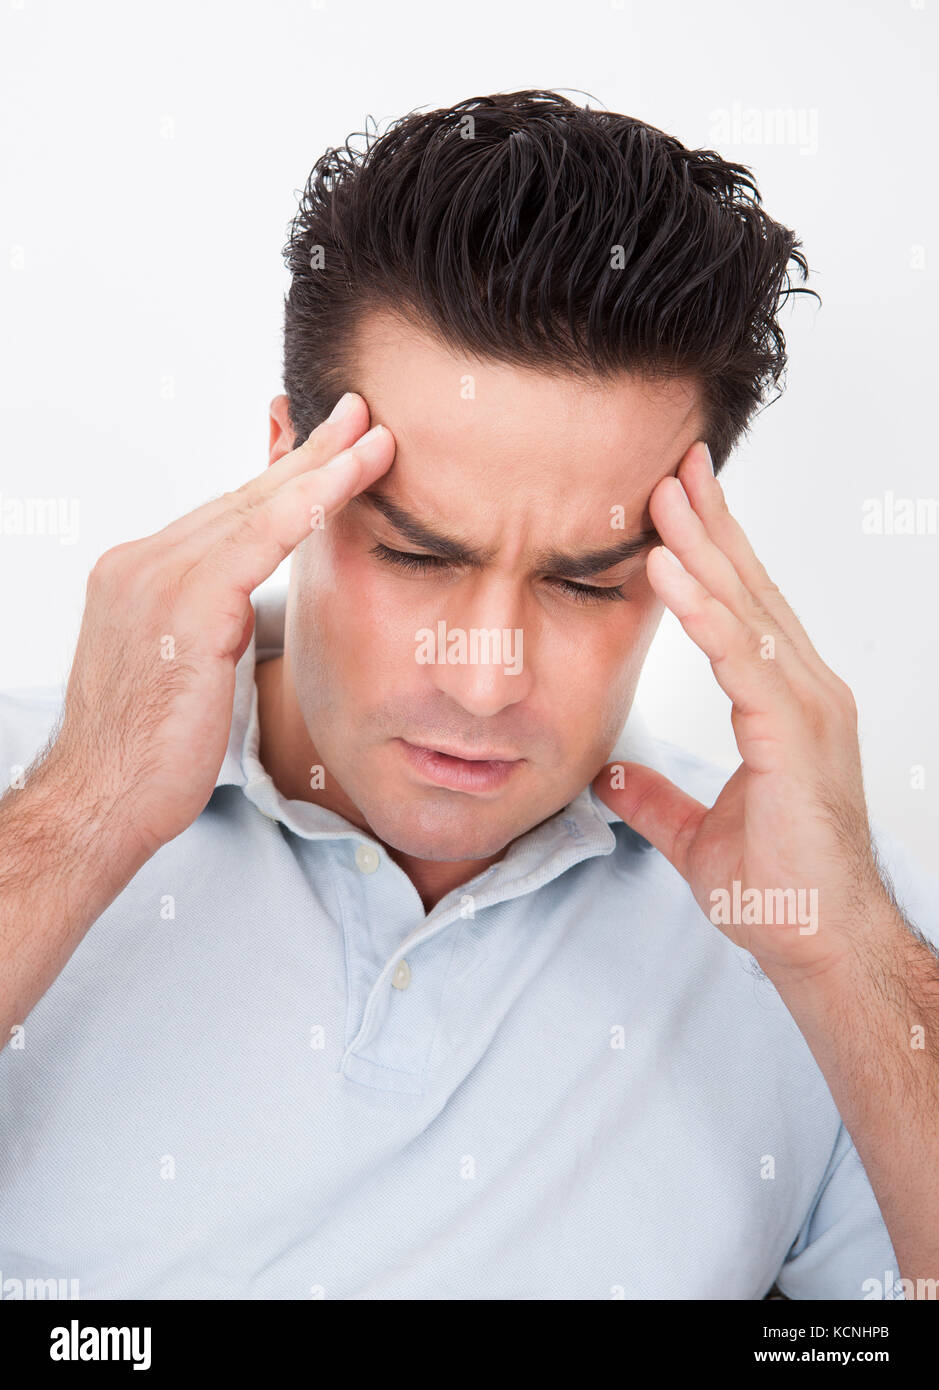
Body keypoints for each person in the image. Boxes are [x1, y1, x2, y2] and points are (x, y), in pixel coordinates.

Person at [1, 89, 936, 1301]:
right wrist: (82, 815)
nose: (488, 679)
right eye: (419, 556)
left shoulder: (835, 928)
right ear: (287, 476)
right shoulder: (32, 796)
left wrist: (847, 954)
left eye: (587, 584)